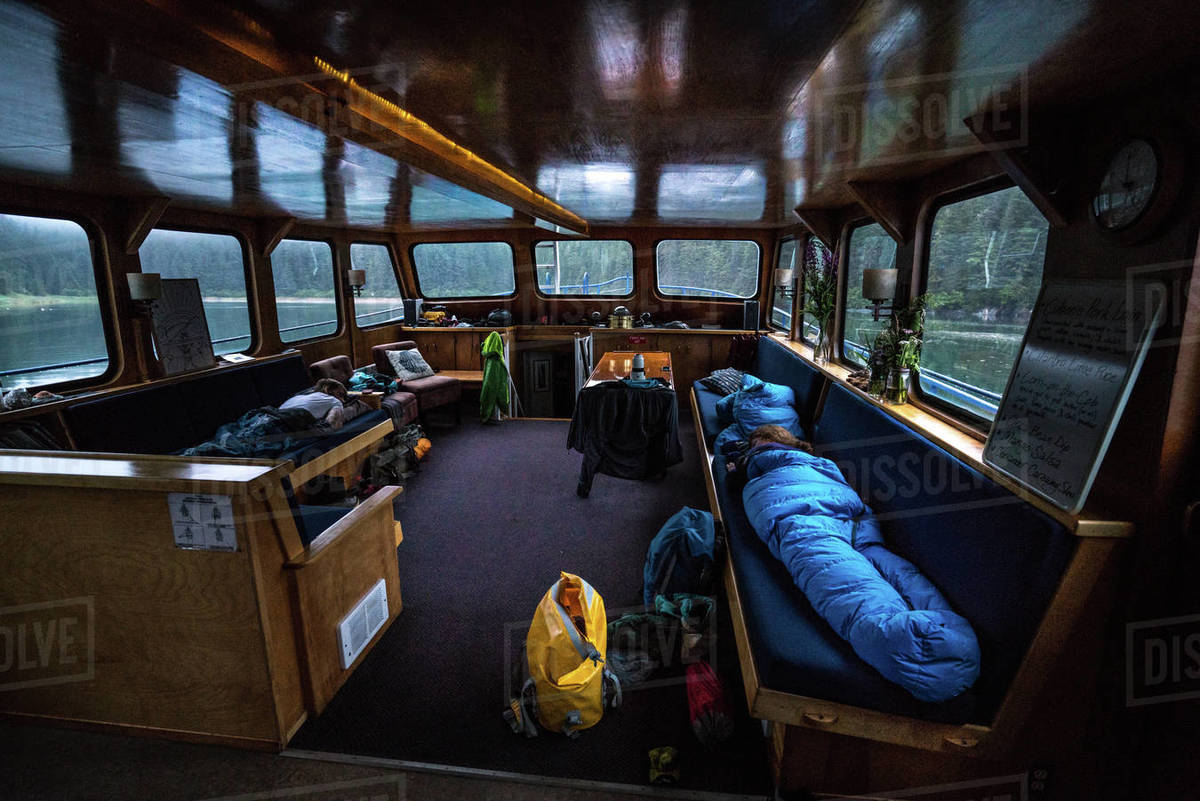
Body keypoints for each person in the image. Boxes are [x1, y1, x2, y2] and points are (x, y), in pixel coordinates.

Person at [721, 424, 813, 490]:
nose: (753, 448)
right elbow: (727, 447)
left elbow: (736, 485)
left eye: (755, 443)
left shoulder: (765, 456)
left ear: (769, 439)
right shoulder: (795, 451)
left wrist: (733, 473)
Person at [280, 378, 349, 429]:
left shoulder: (297, 397)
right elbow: (332, 424)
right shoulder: (334, 401)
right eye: (340, 394)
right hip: (284, 427)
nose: (342, 401)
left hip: (272, 416)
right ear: (327, 390)